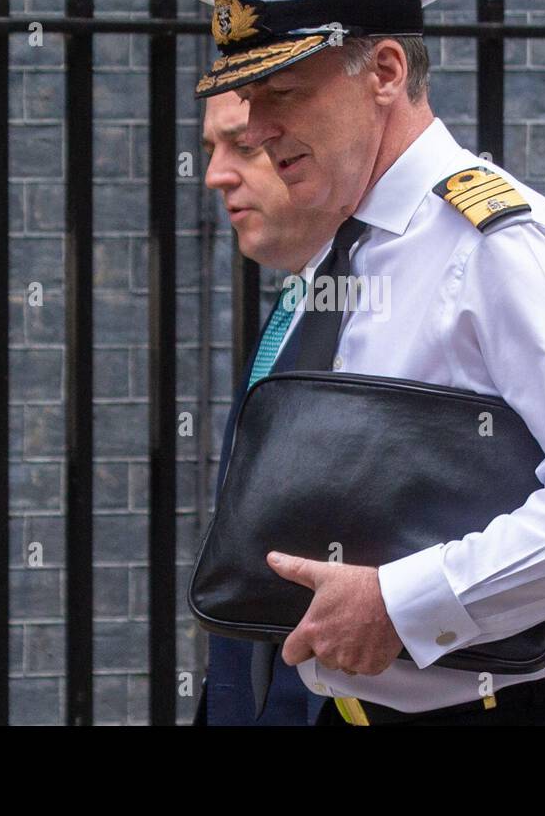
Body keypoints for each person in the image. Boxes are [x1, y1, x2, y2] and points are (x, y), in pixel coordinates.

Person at [184, 0, 545, 725]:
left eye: (281, 90)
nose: (258, 125)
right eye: (248, 96)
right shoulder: (347, 246)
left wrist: (399, 603)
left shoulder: (496, 243)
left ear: (384, 71)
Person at [193, 90, 346, 725]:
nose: (214, 175)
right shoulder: (297, 301)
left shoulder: (388, 300)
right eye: (211, 149)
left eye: (245, 146)